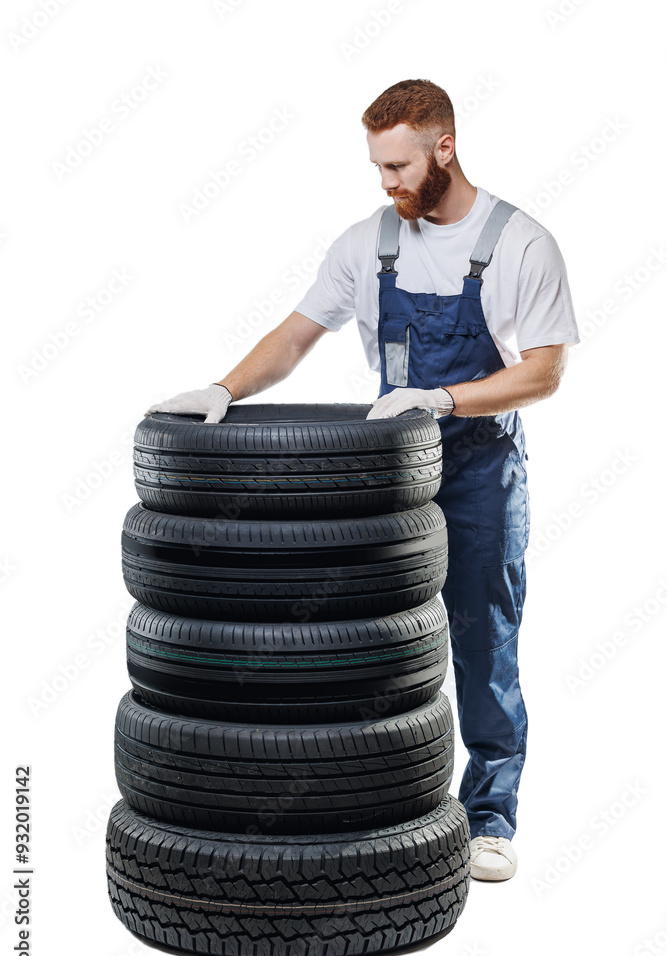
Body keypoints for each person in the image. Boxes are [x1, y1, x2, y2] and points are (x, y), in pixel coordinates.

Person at [145, 79, 580, 881]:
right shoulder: (365, 242)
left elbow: (544, 372)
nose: (386, 183)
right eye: (377, 167)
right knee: (363, 643)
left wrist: (445, 397)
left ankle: (488, 816)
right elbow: (297, 333)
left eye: (398, 167)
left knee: (484, 643)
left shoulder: (521, 243)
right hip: (382, 481)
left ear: (443, 149)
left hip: (481, 470)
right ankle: (379, 796)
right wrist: (224, 389)